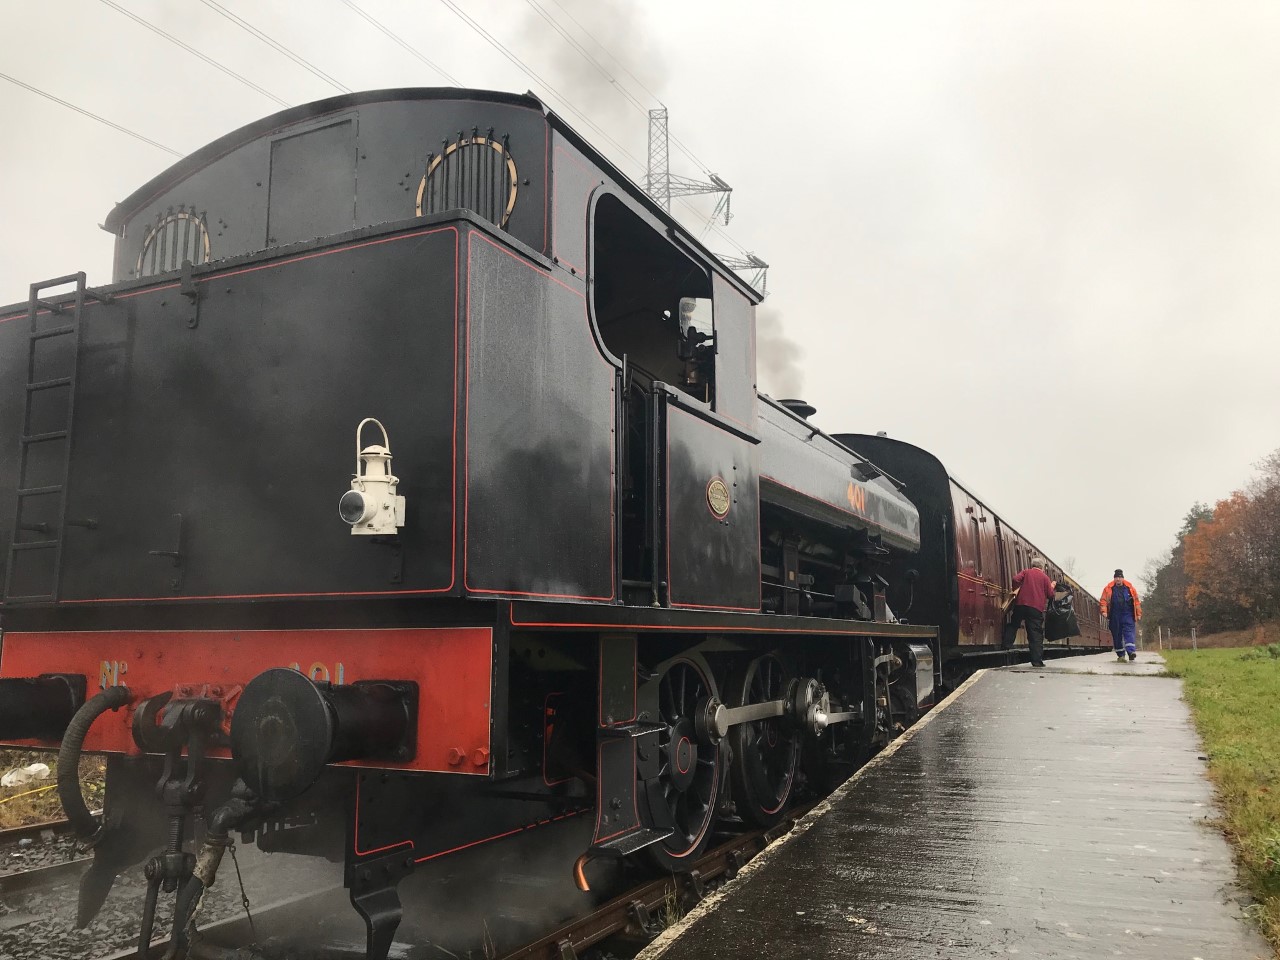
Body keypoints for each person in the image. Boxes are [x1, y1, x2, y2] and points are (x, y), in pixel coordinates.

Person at [1002, 556, 1056, 668]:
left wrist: (1017, 588)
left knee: (1014, 624)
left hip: (1021, 604)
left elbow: (1015, 579)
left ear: (1033, 565)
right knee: (1035, 634)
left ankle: (1006, 645)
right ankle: (1036, 661)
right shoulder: (1045, 577)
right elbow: (1051, 595)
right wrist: (1051, 587)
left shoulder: (1026, 572)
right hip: (1035, 608)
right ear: (1042, 567)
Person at [1100, 569, 1142, 662]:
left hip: (1128, 613)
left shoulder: (1130, 588)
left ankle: (1131, 652)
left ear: (1123, 578)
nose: (1118, 579)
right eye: (1116, 578)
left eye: (1119, 577)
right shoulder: (1108, 589)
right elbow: (1103, 601)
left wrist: (1138, 613)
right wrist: (1104, 611)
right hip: (1115, 614)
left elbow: (1136, 601)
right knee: (1117, 634)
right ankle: (1121, 655)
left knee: (1129, 632)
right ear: (1114, 579)